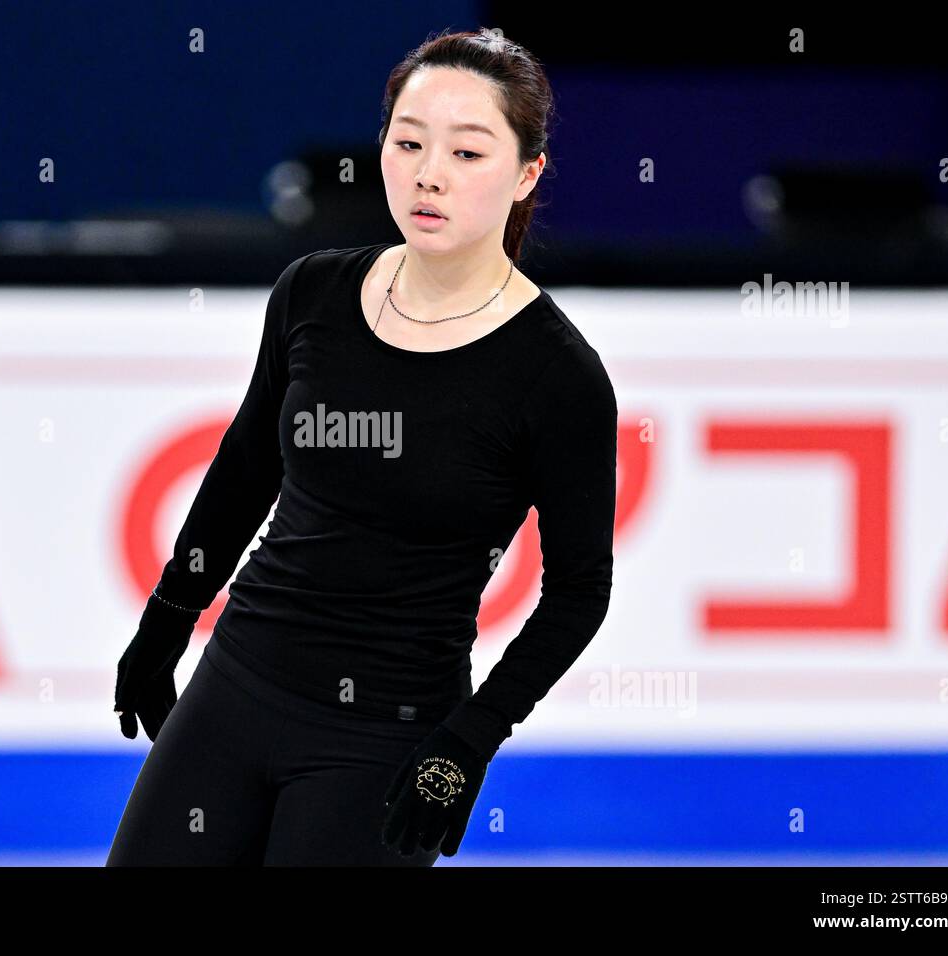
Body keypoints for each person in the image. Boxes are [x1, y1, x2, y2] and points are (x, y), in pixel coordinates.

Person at [106, 27, 617, 866]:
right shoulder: (313, 292)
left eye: (467, 152)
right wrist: (168, 616)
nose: (429, 173)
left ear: (528, 173)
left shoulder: (557, 376)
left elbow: (579, 591)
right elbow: (247, 469)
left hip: (386, 735)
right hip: (235, 688)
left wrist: (470, 739)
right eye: (408, 143)